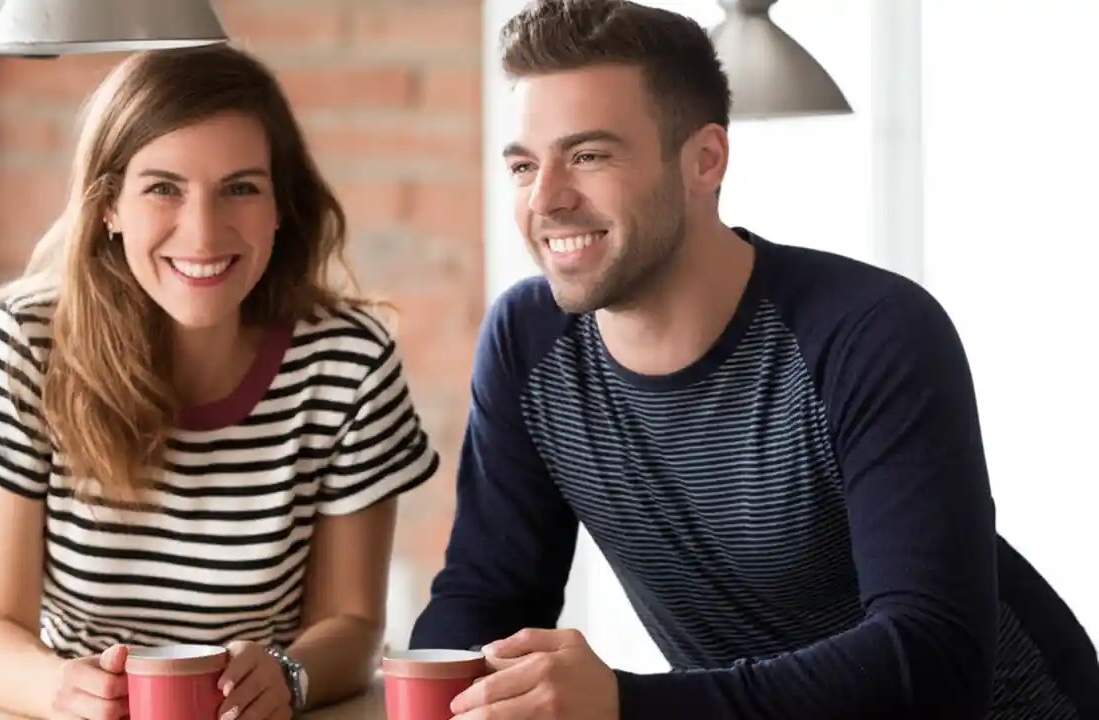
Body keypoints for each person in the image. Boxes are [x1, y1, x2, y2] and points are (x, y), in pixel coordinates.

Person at [409, 1, 1099, 718]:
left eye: (588, 155)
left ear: (705, 160)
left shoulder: (871, 333)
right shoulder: (530, 342)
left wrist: (625, 706)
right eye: (524, 164)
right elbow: (487, 598)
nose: (545, 198)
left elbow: (930, 657)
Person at [0, 45, 439, 720]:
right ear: (108, 205)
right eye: (163, 188)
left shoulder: (348, 363)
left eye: (240, 188)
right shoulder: (21, 348)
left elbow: (351, 625)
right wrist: (61, 691)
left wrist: (289, 676)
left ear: (280, 207)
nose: (202, 234)